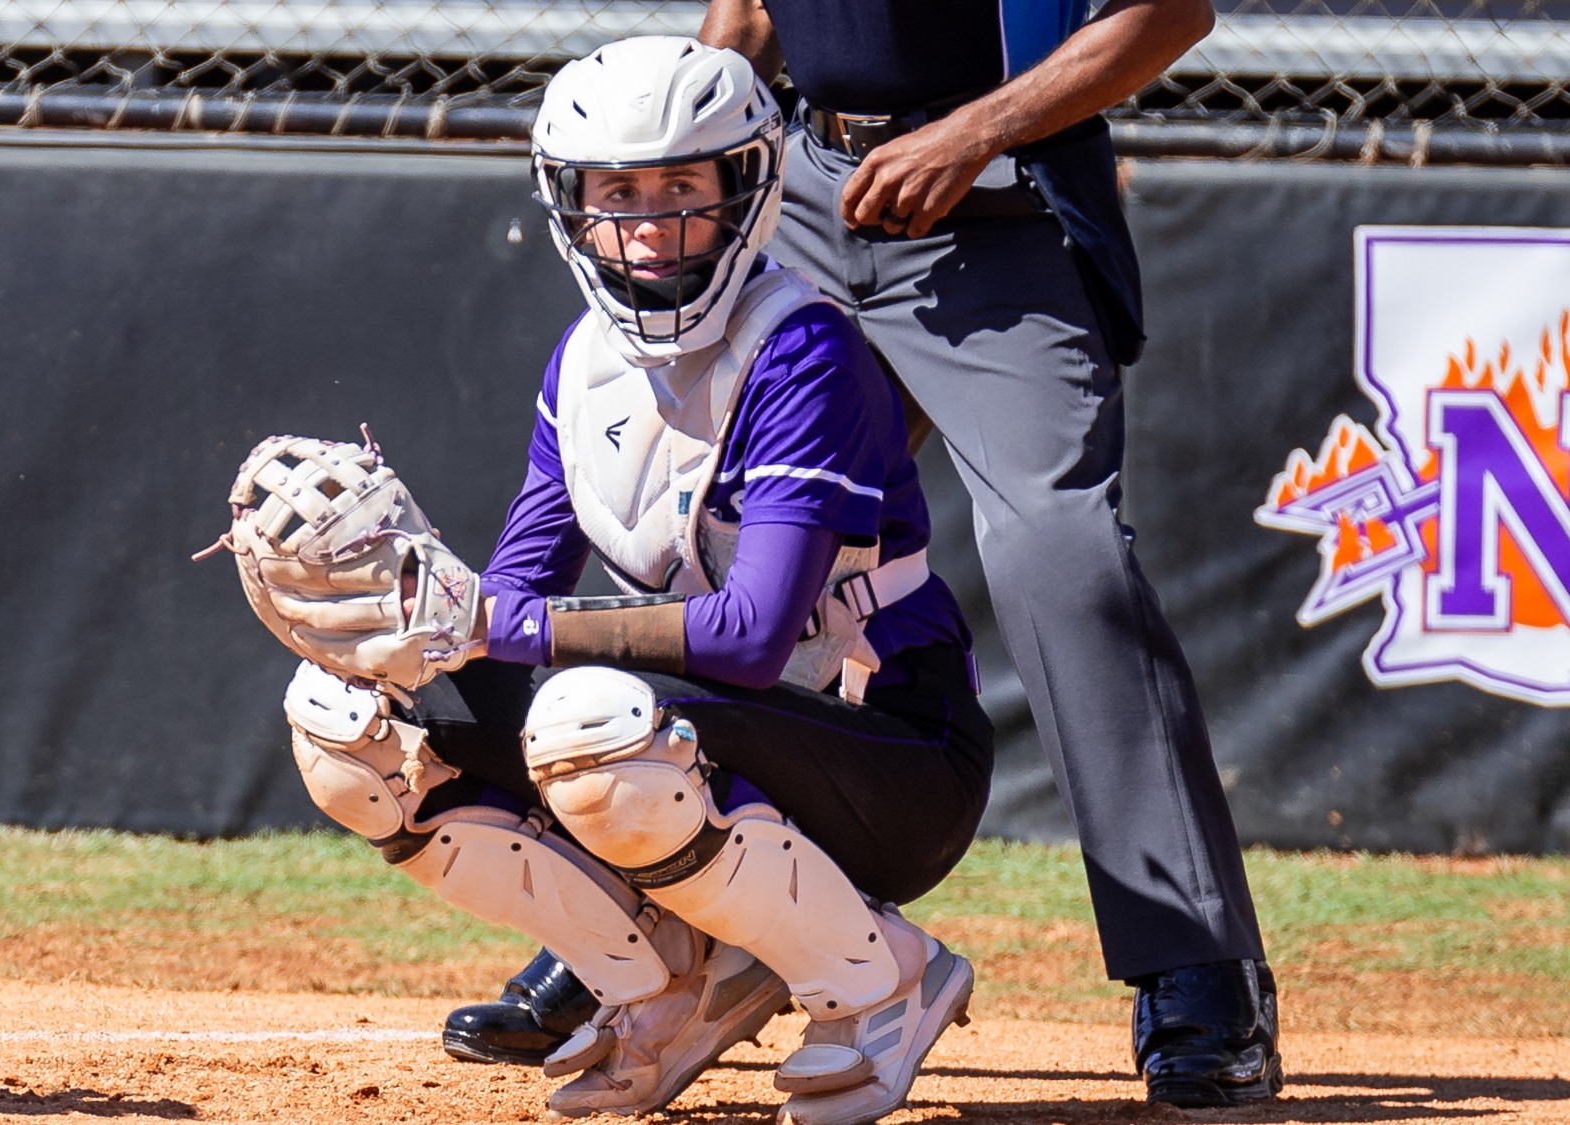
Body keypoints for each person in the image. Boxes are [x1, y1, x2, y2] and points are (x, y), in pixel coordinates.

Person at [449, 0, 1285, 1111]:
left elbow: (1163, 15)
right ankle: (647, 919)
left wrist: (975, 130)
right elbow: (749, 15)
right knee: (696, 527)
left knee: (1058, 553)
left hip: (993, 207)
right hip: (794, 191)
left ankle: (1193, 963)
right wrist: (684, 164)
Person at [241, 36, 993, 1123]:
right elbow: (507, 598)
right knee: (352, 726)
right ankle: (662, 986)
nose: (649, 223)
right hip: (730, 743)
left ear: (749, 186)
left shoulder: (803, 352)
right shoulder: (583, 361)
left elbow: (747, 638)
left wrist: (496, 622)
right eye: (616, 192)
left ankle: (882, 980)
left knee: (591, 722)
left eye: (682, 187)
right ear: (569, 203)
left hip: (895, 766)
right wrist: (402, 635)